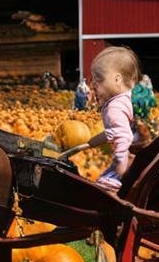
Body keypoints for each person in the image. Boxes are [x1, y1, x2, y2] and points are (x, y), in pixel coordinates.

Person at [59, 47, 138, 190]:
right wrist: (88, 144)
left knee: (100, 188)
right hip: (131, 155)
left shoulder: (114, 108)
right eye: (93, 78)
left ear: (117, 79)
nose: (94, 84)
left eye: (99, 79)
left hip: (124, 161)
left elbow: (123, 136)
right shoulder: (123, 100)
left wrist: (116, 171)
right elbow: (112, 132)